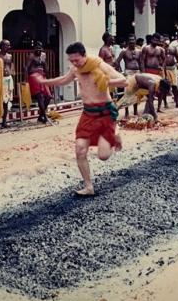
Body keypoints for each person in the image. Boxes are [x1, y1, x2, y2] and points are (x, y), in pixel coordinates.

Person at [41, 42, 127, 197]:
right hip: (88, 113)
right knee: (80, 150)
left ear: (84, 55)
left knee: (103, 156)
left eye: (77, 60)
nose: (74, 63)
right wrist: (46, 82)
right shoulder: (75, 69)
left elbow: (124, 81)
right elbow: (64, 80)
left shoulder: (99, 65)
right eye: (71, 61)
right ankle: (88, 187)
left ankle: (116, 132)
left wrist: (105, 81)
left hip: (105, 113)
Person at [25, 42, 52, 123]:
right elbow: (26, 68)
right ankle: (45, 117)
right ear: (34, 49)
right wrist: (25, 80)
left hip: (42, 76)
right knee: (40, 96)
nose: (38, 51)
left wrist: (49, 78)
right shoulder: (31, 56)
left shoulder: (43, 55)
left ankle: (41, 115)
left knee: (49, 96)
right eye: (37, 49)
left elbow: (46, 67)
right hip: (34, 76)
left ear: (42, 49)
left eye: (40, 49)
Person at [115, 36, 141, 117]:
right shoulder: (124, 51)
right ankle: (126, 112)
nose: (132, 43)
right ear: (127, 42)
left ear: (135, 41)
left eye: (133, 41)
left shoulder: (139, 51)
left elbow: (141, 62)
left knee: (136, 92)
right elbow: (117, 62)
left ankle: (135, 111)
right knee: (128, 92)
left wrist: (142, 72)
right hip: (128, 72)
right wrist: (120, 72)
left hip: (137, 72)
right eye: (130, 41)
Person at [0, 39, 14, 129]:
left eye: (9, 45)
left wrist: (12, 73)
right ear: (1, 46)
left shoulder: (10, 56)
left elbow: (11, 66)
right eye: (6, 45)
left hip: (8, 79)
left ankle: (4, 122)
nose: (8, 47)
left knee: (6, 102)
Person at [162, 39, 178, 110]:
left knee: (174, 86)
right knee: (164, 87)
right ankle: (165, 102)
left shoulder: (173, 48)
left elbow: (177, 56)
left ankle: (177, 101)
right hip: (164, 69)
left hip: (172, 69)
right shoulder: (161, 49)